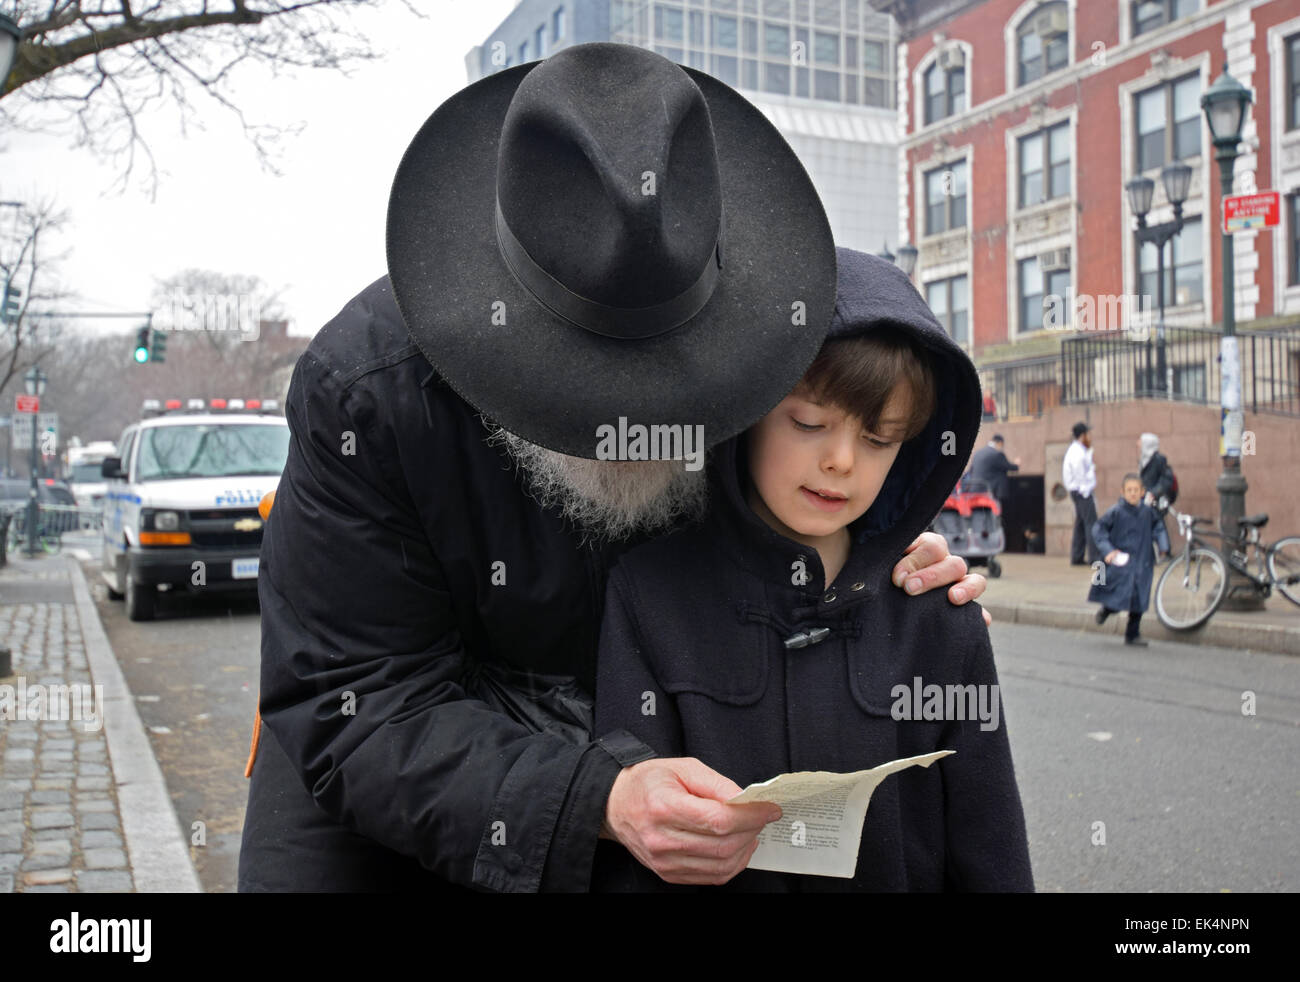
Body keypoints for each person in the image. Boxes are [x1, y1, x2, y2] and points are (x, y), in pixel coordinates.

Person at [237, 43, 987, 893]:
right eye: (593, 384)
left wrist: (869, 561)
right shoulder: (367, 390)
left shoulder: (764, 341)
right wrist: (597, 794)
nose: (635, 426)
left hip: (647, 750)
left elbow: (846, 426)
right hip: (391, 770)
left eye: (668, 371)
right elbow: (355, 700)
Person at [590, 248, 1033, 892]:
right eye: (808, 422)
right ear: (748, 414)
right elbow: (635, 848)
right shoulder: (650, 594)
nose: (842, 461)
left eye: (880, 439)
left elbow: (991, 846)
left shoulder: (937, 613)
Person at [1089, 474, 1170, 647]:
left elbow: (1159, 527)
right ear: (1123, 492)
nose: (1132, 494)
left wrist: (1163, 546)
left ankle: (1132, 634)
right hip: (1121, 563)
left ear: (1142, 492)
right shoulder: (1116, 511)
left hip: (1142, 561)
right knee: (1118, 594)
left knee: (1138, 599)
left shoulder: (1148, 512)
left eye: (1136, 490)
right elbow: (1099, 529)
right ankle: (1107, 610)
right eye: (1129, 490)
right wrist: (1108, 550)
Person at [1063, 421, 1099, 566]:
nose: (1090, 436)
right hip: (1082, 491)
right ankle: (1094, 557)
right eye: (1088, 434)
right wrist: (1085, 491)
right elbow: (1080, 474)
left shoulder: (1079, 450)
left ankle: (1077, 556)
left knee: (1080, 524)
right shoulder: (1077, 451)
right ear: (1082, 435)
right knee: (1091, 523)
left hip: (1079, 491)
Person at [1138, 432, 1174, 560]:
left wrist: (1154, 492)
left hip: (1155, 498)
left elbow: (1166, 480)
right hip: (1145, 497)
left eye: (1141, 441)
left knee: (1158, 524)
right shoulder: (1143, 458)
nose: (1138, 444)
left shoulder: (1158, 459)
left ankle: (1164, 551)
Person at [967, 434, 1020, 506]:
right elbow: (1010, 467)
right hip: (991, 490)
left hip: (975, 489)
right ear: (1000, 443)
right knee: (995, 512)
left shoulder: (977, 453)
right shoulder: (997, 454)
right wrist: (1017, 464)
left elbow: (971, 471)